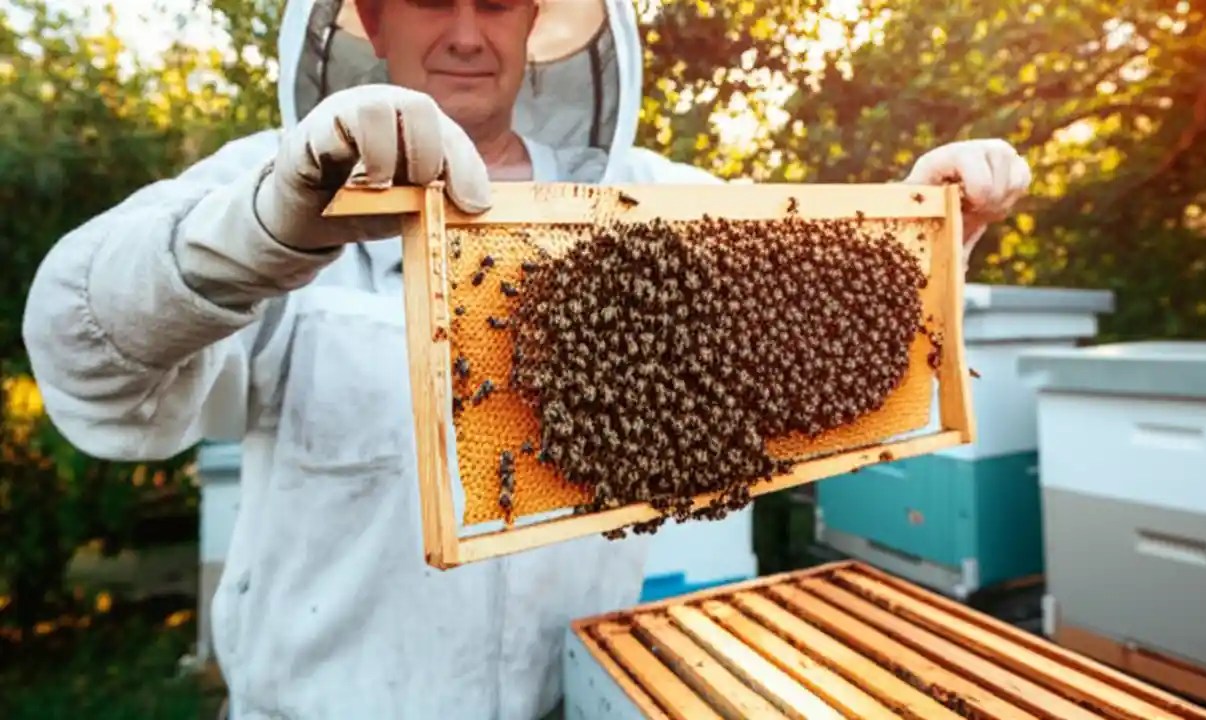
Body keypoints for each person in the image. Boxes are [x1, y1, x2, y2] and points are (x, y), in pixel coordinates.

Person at [22, 0, 1031, 717]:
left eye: (498, 1)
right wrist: (258, 234)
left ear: (534, 20)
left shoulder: (647, 200)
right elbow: (80, 348)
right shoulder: (270, 177)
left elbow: (803, 339)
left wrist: (930, 232)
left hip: (578, 697)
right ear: (370, 17)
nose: (467, 32)